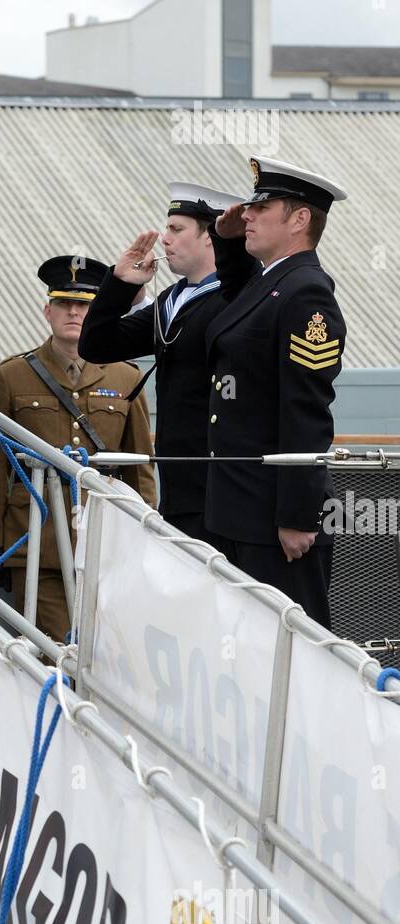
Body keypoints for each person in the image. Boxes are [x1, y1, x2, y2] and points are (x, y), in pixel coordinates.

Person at [0, 256, 157, 643]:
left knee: (106, 652)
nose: (73, 312)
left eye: (84, 305)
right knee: (55, 651)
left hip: (105, 544)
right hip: (36, 542)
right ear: (47, 310)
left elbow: (139, 469)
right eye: (63, 303)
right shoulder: (12, 375)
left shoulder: (126, 377)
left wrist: (146, 540)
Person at [205, 158, 347, 628]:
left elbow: (305, 410)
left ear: (299, 219)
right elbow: (236, 300)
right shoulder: (271, 282)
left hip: (275, 521)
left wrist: (298, 515)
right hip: (239, 510)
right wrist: (227, 241)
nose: (246, 214)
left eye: (261, 206)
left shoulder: (306, 293)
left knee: (293, 656)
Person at [80, 182, 254, 543]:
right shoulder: (170, 302)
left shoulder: (235, 297)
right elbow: (96, 345)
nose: (165, 240)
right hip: (177, 479)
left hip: (220, 482)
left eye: (176, 229)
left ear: (211, 237)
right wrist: (121, 285)